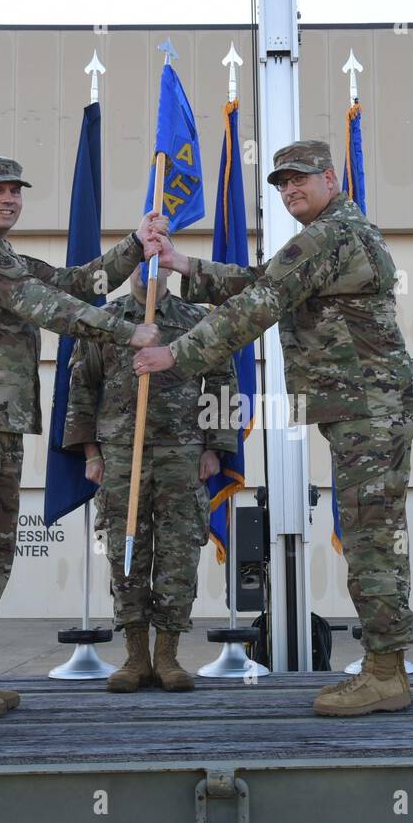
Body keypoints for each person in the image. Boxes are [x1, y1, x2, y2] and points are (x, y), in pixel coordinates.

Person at [133, 140, 413, 717]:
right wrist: (184, 266)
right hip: (364, 405)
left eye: (301, 180)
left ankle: (386, 672)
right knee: (372, 532)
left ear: (331, 178)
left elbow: (262, 301)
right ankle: (384, 666)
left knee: (370, 536)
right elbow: (266, 280)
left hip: (368, 407)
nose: (291, 191)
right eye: (282, 184)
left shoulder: (330, 235)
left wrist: (177, 355)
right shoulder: (330, 236)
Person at [0, 154, 163, 719]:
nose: (8, 200)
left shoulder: (6, 258)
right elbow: (44, 305)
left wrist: (135, 246)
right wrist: (126, 330)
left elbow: (76, 284)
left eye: (15, 191)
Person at [63, 268, 239, 692]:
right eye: (142, 256)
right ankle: (135, 655)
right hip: (122, 454)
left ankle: (168, 655)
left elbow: (221, 382)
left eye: (159, 255)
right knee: (128, 554)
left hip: (183, 455)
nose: (150, 267)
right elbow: (82, 387)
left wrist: (215, 447)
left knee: (179, 553)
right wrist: (90, 452)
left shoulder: (195, 319)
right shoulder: (106, 319)